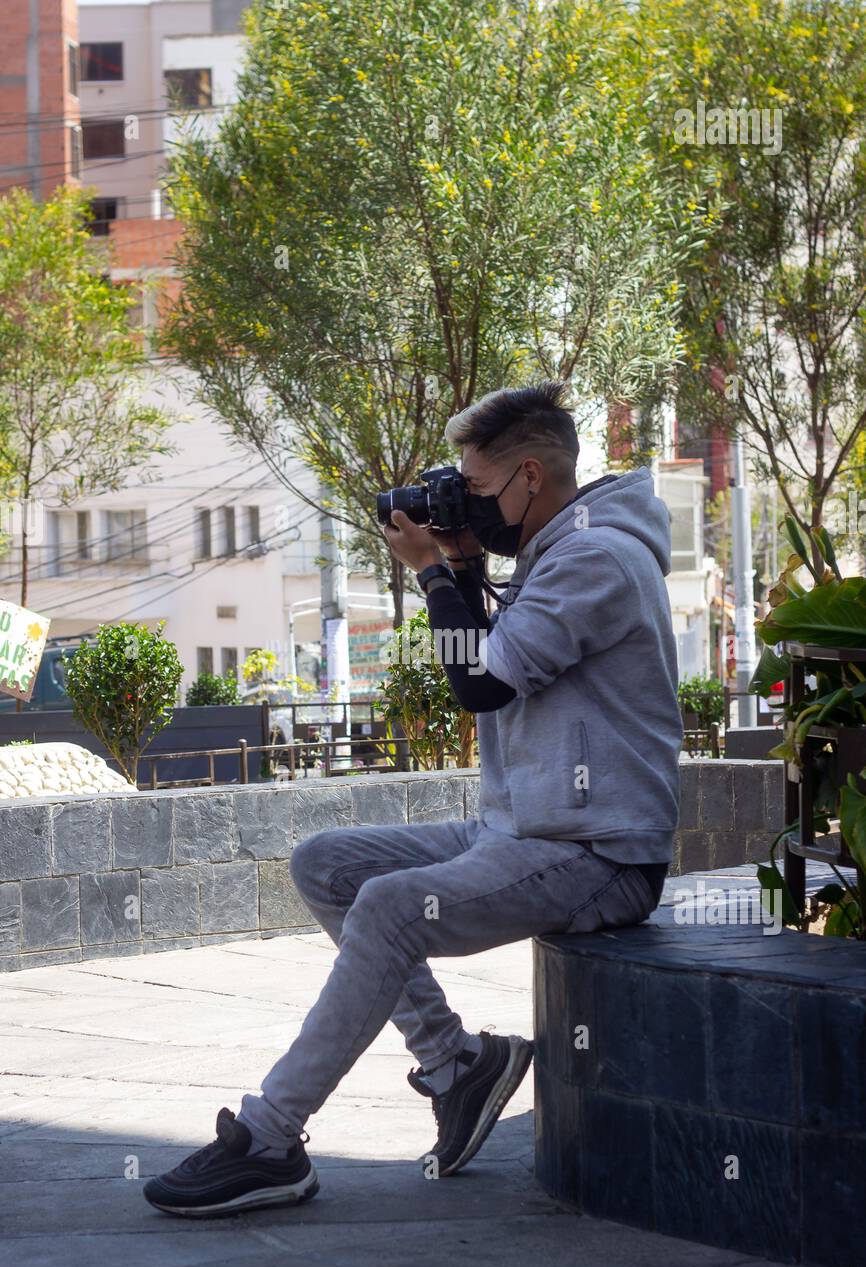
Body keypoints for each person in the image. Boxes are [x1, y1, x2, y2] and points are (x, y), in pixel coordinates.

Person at [143, 380, 683, 1217]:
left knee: (391, 907)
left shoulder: (596, 558)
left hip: (597, 852)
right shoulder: (553, 550)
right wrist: (462, 566)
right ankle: (457, 1067)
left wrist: (435, 570)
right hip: (521, 831)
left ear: (530, 477)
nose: (461, 501)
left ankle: (272, 1138)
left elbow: (480, 683)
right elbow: (492, 660)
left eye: (472, 487)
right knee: (327, 864)